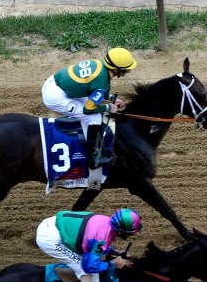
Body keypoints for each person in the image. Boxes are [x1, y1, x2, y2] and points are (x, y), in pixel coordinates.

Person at [41, 47, 137, 188]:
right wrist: (108, 107)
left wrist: (111, 98)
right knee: (94, 119)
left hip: (53, 84)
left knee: (92, 109)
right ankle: (94, 159)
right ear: (116, 69)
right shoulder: (102, 82)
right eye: (126, 69)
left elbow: (93, 88)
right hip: (56, 97)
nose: (128, 72)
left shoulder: (99, 65)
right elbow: (88, 109)